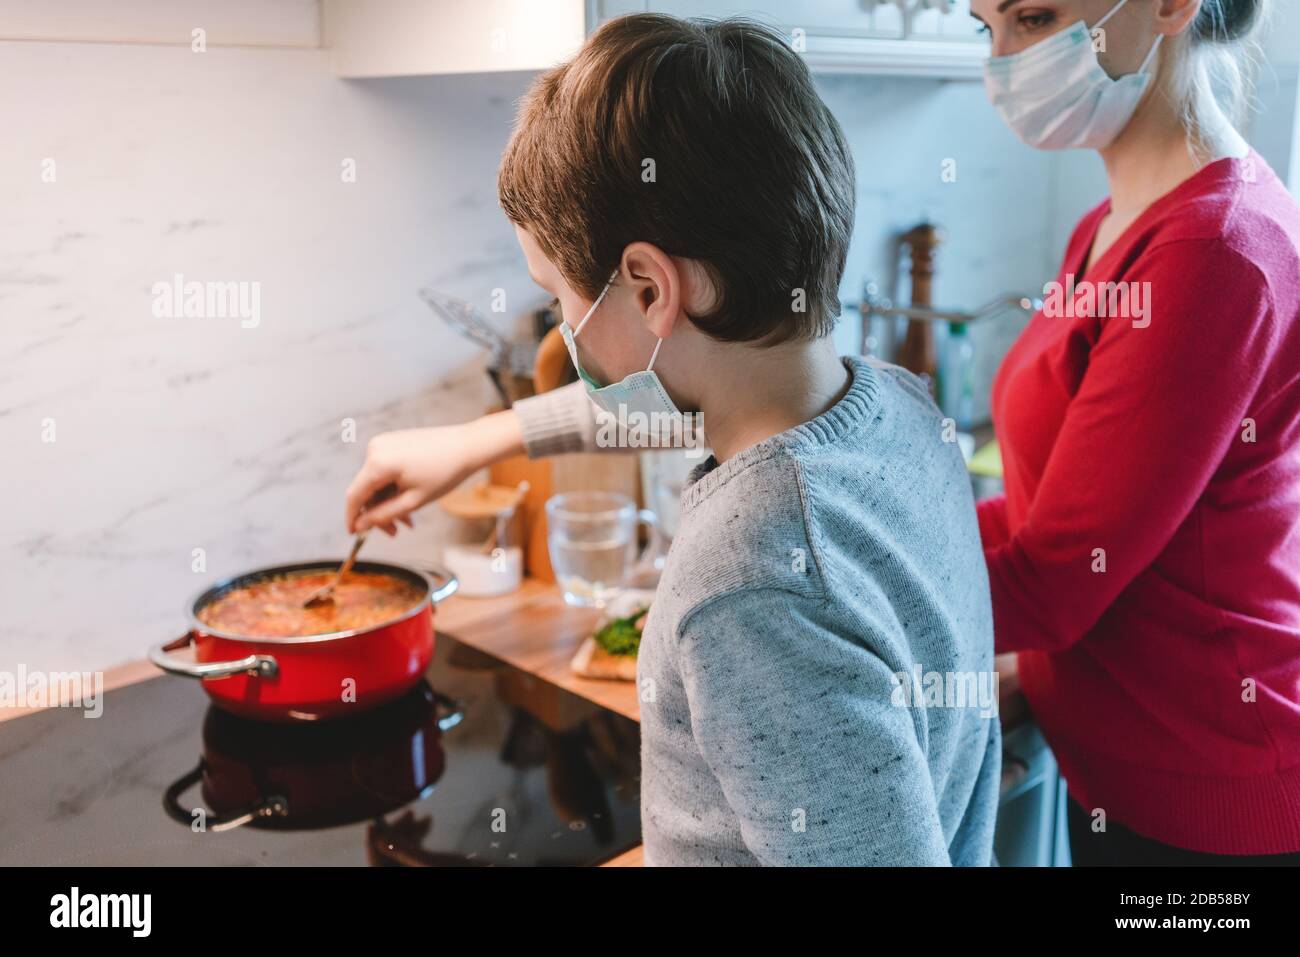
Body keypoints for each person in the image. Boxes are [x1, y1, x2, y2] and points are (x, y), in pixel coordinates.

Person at [345, 14, 1001, 865]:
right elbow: (671, 398)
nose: (560, 325)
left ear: (651, 288)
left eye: (557, 297)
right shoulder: (898, 406)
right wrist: (479, 441)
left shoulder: (753, 583)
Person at [970, 0, 1300, 863]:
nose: (1002, 62)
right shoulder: (1109, 225)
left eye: (1032, 18)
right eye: (986, 28)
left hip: (1213, 801)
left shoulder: (1213, 252)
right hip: (1122, 772)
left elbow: (1056, 582)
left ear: (1169, 6)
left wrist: (833, 586)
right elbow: (1046, 508)